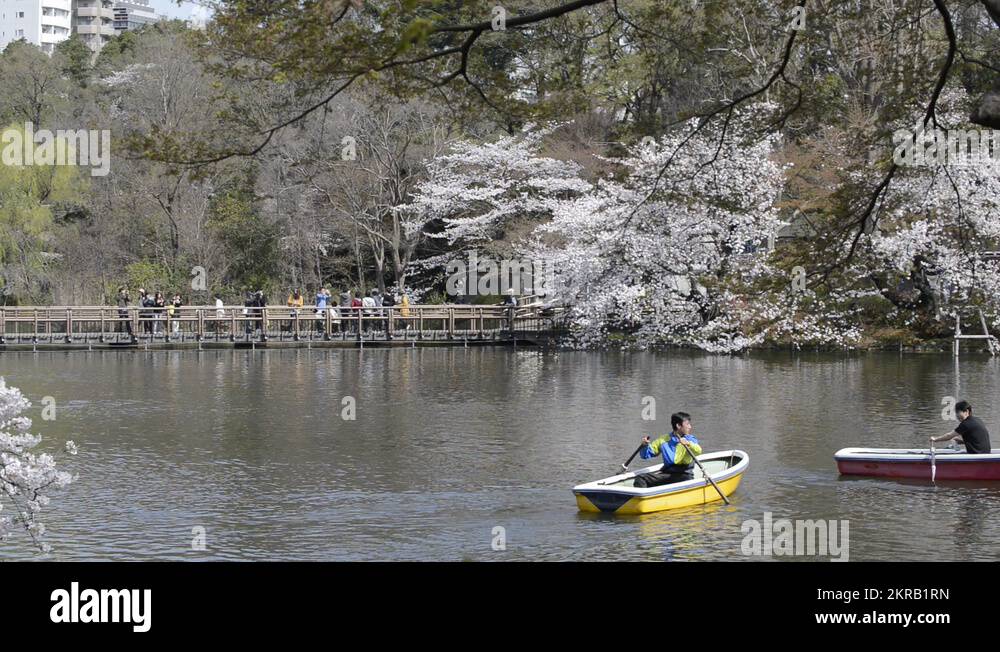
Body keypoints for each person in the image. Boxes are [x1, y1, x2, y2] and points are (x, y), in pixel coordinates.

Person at [633, 412, 703, 488]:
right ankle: (644, 497)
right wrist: (645, 446)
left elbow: (698, 451)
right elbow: (645, 455)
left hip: (684, 475)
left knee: (685, 480)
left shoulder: (690, 439)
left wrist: (688, 444)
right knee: (640, 478)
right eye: (687, 424)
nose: (690, 427)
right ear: (678, 426)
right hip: (667, 474)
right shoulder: (663, 439)